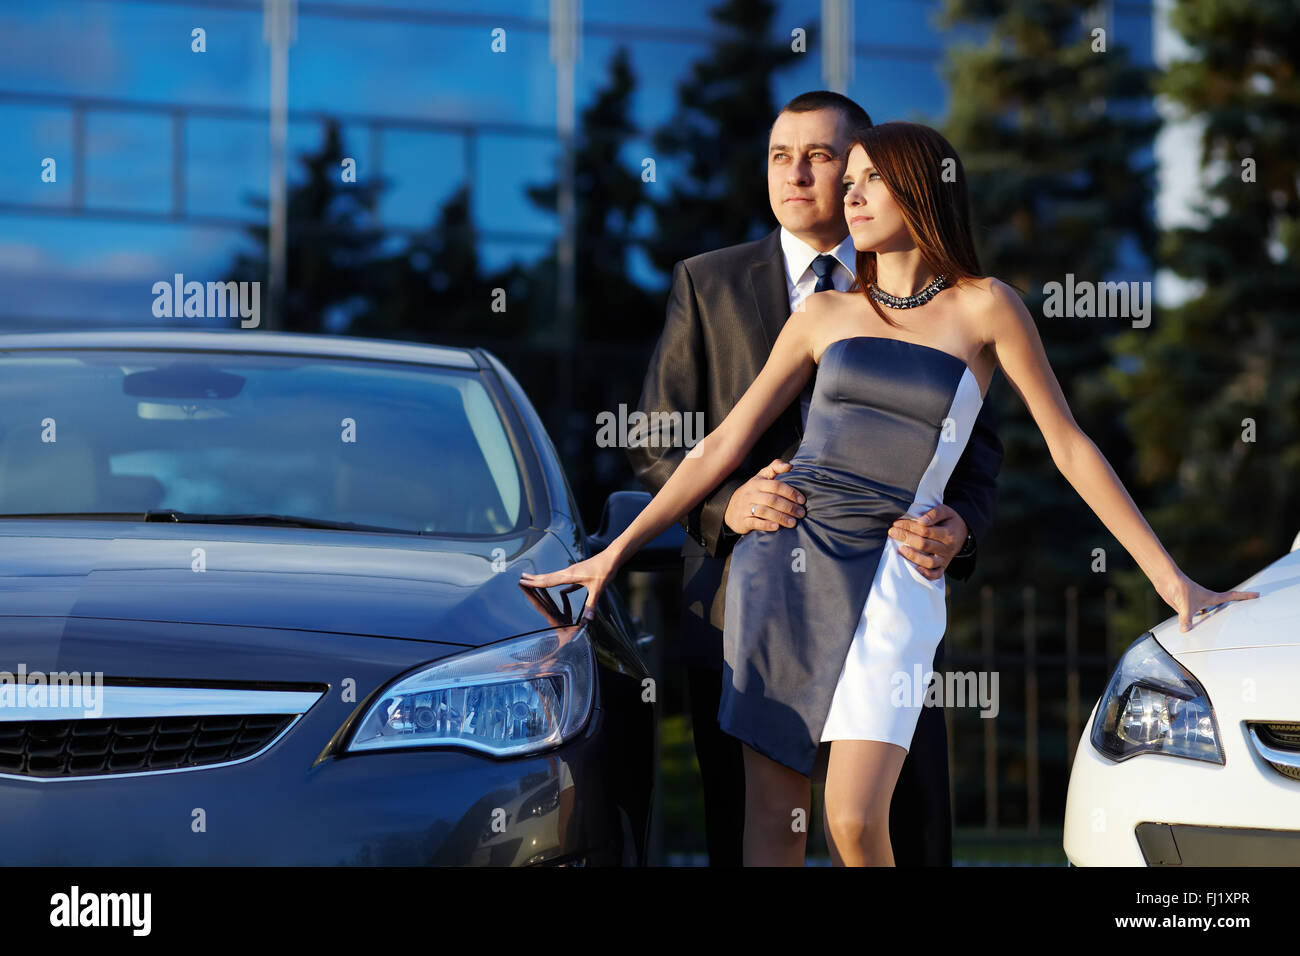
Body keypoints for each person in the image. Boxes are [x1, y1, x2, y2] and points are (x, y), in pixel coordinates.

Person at [524, 119, 1260, 866]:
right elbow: (723, 443)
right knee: (775, 822)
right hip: (779, 567)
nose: (851, 196)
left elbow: (1068, 446)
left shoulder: (986, 307)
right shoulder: (823, 314)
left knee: (851, 819)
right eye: (848, 184)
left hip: (897, 576)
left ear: (924, 187)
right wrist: (612, 552)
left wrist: (1172, 581)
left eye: (869, 179)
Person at [625, 91, 1002, 867]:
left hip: (887, 591)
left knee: (900, 826)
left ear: (874, 172)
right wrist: (731, 506)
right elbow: (659, 437)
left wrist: (961, 524)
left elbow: (977, 443)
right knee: (757, 831)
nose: (795, 173)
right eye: (778, 155)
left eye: (822, 157)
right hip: (744, 601)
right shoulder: (709, 282)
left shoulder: (949, 308)